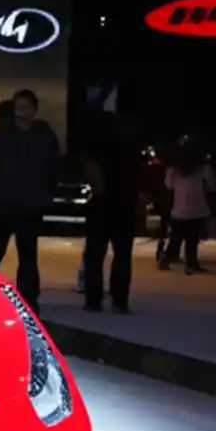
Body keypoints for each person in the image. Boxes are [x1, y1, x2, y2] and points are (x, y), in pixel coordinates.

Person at [0, 89, 59, 313]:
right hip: (2, 203)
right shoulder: (1, 133)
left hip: (28, 204)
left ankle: (28, 296)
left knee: (27, 253)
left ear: (34, 110)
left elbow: (51, 168)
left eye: (25, 107)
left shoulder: (43, 136)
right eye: (18, 107)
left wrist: (45, 194)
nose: (21, 112)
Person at [81, 113, 140, 313]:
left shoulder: (96, 147)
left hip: (102, 203)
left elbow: (89, 170)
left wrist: (99, 188)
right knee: (122, 254)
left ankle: (93, 298)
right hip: (124, 204)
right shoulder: (130, 148)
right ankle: (120, 299)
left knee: (95, 254)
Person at [159, 139, 216, 274]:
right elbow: (213, 185)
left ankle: (167, 259)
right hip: (197, 209)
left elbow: (168, 185)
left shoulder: (175, 170)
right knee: (192, 239)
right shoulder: (202, 169)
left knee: (175, 238)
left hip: (179, 210)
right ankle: (191, 263)